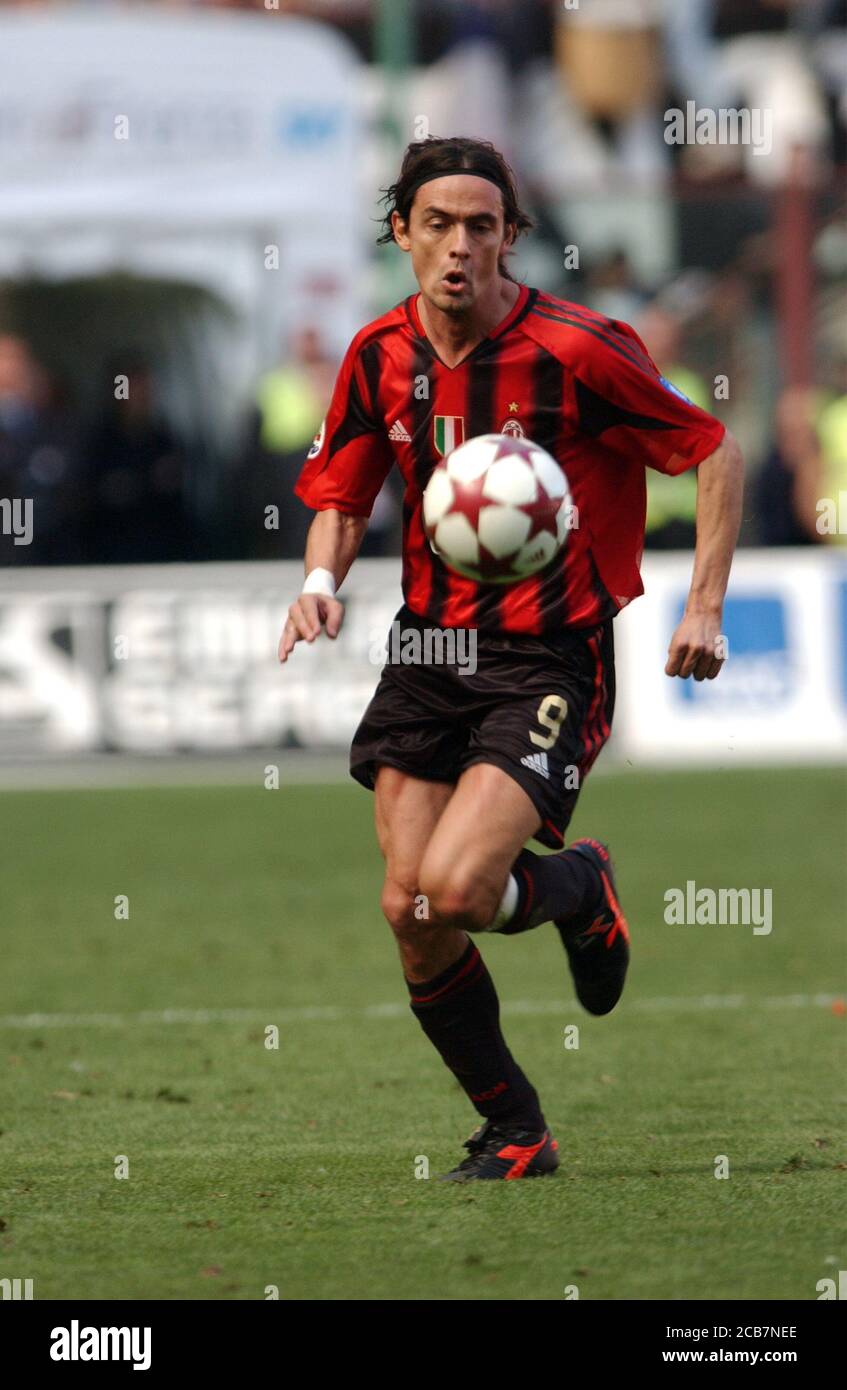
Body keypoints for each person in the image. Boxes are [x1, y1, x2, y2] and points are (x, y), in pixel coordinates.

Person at [278, 136, 744, 1182]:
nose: (457, 247)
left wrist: (702, 604)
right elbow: (343, 493)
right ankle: (517, 1128)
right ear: (398, 232)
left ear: (511, 237)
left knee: (452, 886)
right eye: (435, 223)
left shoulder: (580, 349)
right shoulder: (375, 355)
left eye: (479, 226)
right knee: (409, 908)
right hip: (426, 651)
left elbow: (713, 447)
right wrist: (318, 583)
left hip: (546, 657)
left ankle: (577, 886)